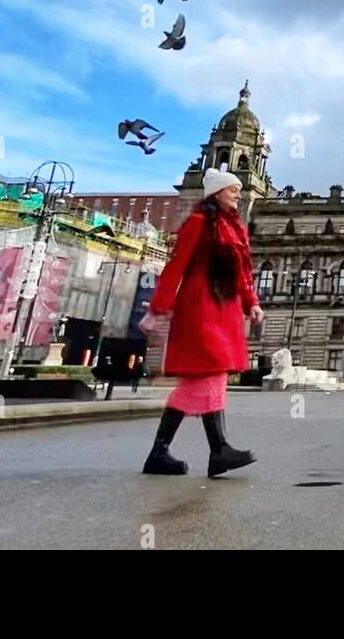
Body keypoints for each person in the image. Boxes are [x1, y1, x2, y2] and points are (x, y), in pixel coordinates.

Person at [139, 169, 264, 478]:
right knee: (210, 370)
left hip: (226, 308)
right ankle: (218, 450)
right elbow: (176, 266)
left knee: (207, 377)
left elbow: (242, 272)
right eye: (233, 189)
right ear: (217, 193)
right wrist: (158, 309)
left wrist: (253, 303)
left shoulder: (234, 227)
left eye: (239, 189)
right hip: (201, 307)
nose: (238, 194)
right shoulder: (197, 224)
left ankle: (163, 452)